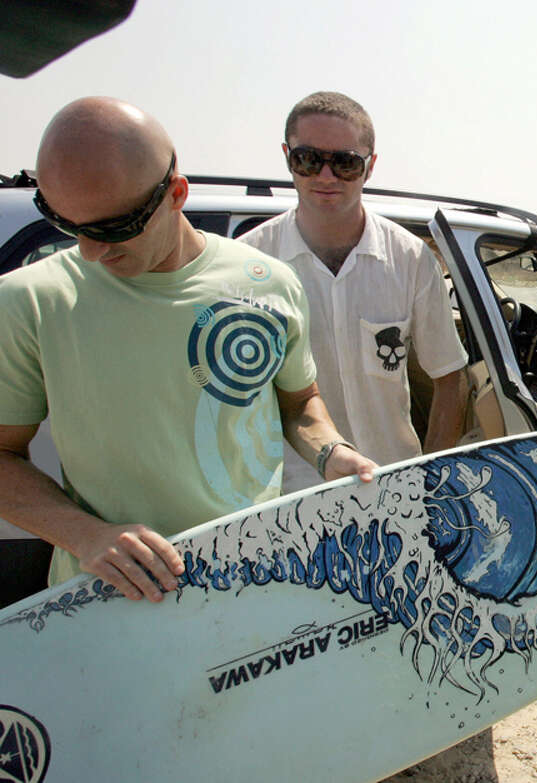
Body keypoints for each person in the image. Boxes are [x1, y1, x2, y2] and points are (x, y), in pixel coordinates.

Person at [0, 97, 377, 603]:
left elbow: (298, 402)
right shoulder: (30, 300)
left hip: (256, 588)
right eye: (68, 225)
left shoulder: (269, 283)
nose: (92, 252)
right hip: (108, 605)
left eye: (114, 229)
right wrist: (83, 534)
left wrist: (333, 453)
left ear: (176, 193)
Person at [240, 92, 468, 492]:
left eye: (345, 163)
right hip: (288, 499)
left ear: (370, 166)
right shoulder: (250, 262)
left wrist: (431, 481)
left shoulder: (410, 259)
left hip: (393, 486)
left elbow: (450, 376)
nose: (326, 177)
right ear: (287, 156)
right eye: (308, 159)